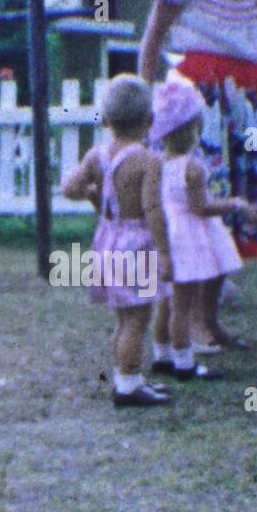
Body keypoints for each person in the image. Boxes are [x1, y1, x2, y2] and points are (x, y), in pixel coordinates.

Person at [138, 0, 257, 351]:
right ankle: (189, 321)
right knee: (200, 202)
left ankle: (210, 318)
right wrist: (146, 101)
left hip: (249, 101)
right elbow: (153, 37)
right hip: (199, 97)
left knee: (237, 201)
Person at [61, 74, 173, 407]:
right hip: (135, 243)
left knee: (124, 318)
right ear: (149, 122)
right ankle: (127, 386)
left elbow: (69, 188)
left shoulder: (97, 156)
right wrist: (164, 253)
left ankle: (129, 378)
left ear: (106, 120)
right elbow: (152, 209)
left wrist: (95, 195)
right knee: (138, 319)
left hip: (107, 239)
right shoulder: (149, 160)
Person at [149, 80, 257, 381]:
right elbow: (200, 207)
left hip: (167, 232)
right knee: (182, 304)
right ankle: (184, 362)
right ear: (193, 128)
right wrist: (235, 204)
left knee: (166, 301)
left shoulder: (158, 164)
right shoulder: (193, 167)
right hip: (188, 236)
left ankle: (160, 353)